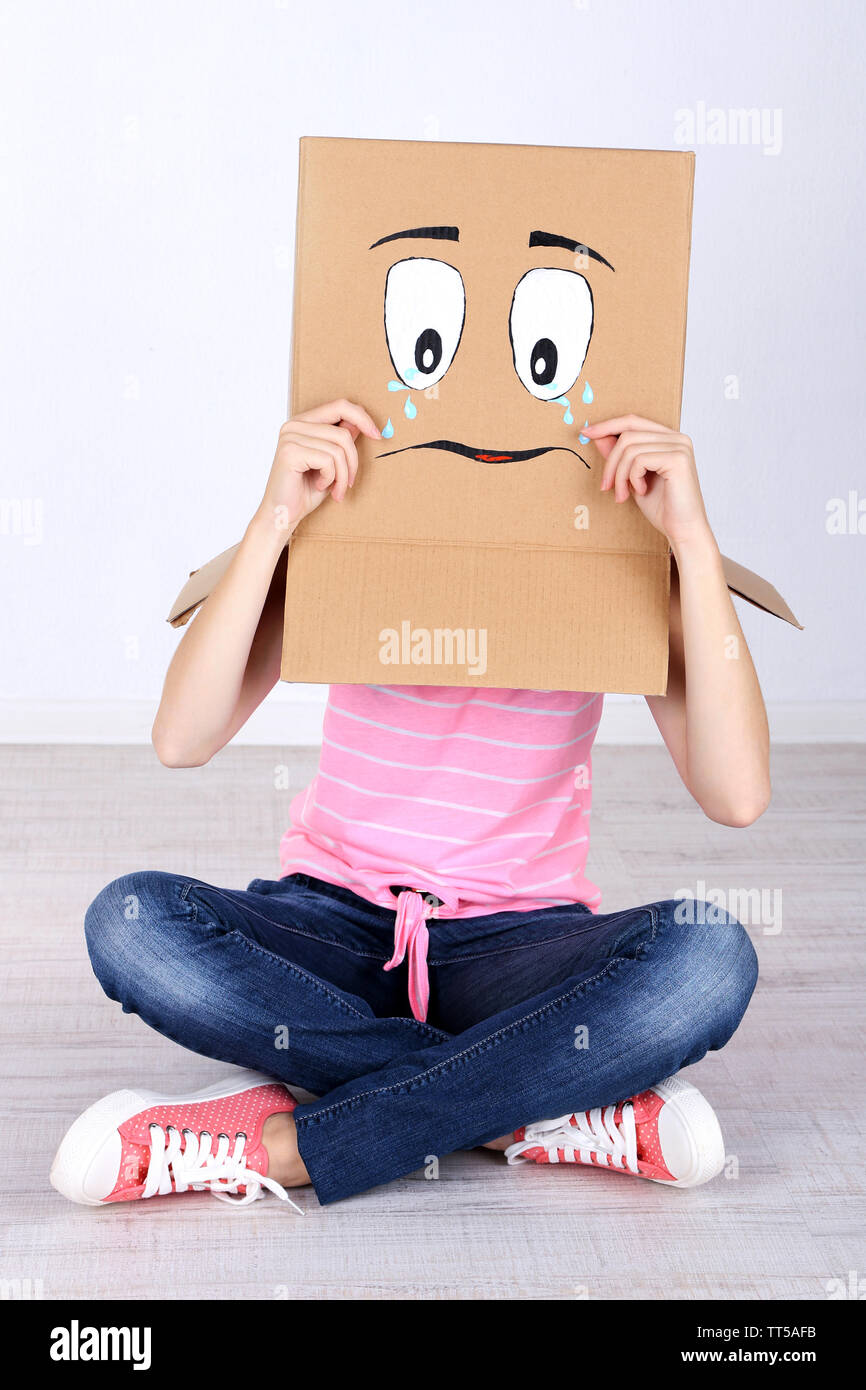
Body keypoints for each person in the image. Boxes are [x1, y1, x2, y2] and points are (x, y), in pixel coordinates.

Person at [51, 399, 765, 1210]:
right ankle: (518, 1104)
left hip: (518, 947)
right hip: (336, 925)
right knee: (131, 921)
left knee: (709, 958)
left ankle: (289, 1146)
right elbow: (182, 736)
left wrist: (692, 543)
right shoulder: (351, 535)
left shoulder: (614, 560)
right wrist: (277, 515)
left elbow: (737, 793)